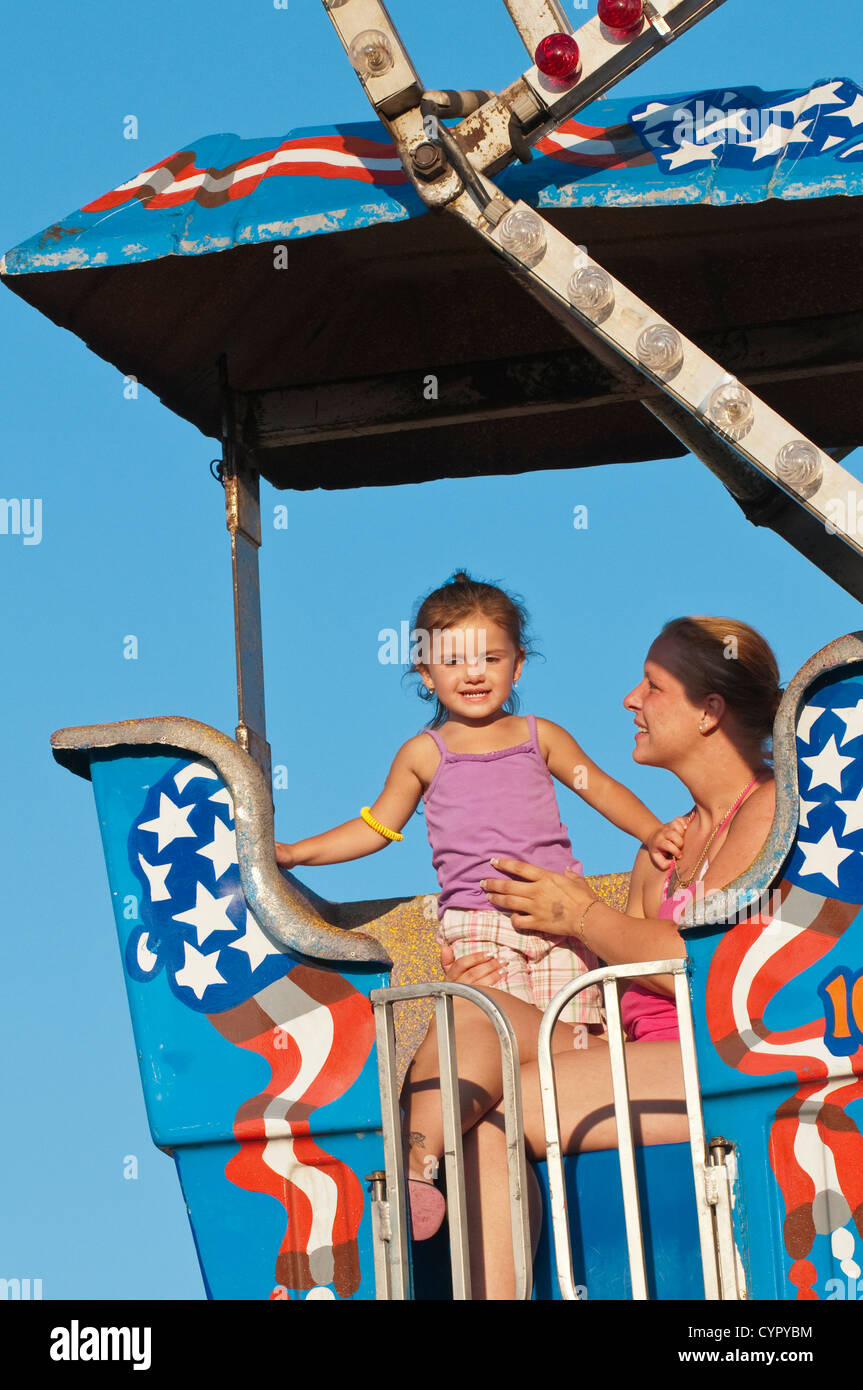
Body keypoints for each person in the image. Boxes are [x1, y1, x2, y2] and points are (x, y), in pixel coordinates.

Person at [274, 572, 685, 1236]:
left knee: (560, 1040)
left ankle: (546, 1186)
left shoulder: (536, 735)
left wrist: (651, 832)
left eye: (490, 658)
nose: (473, 674)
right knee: (485, 1026)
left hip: (553, 920)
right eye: (454, 659)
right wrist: (295, 854)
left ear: (517, 663)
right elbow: (375, 827)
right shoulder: (423, 754)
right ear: (423, 669)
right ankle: (419, 1166)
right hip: (475, 923)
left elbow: (597, 787)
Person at [427, 614, 780, 1298]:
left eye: (651, 685)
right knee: (467, 1014)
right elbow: (624, 989)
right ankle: (411, 1166)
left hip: (724, 1058)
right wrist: (492, 968)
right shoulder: (665, 850)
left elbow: (703, 968)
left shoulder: (767, 814)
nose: (629, 700)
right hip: (638, 1056)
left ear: (709, 711)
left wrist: (580, 915)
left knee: (504, 1111)